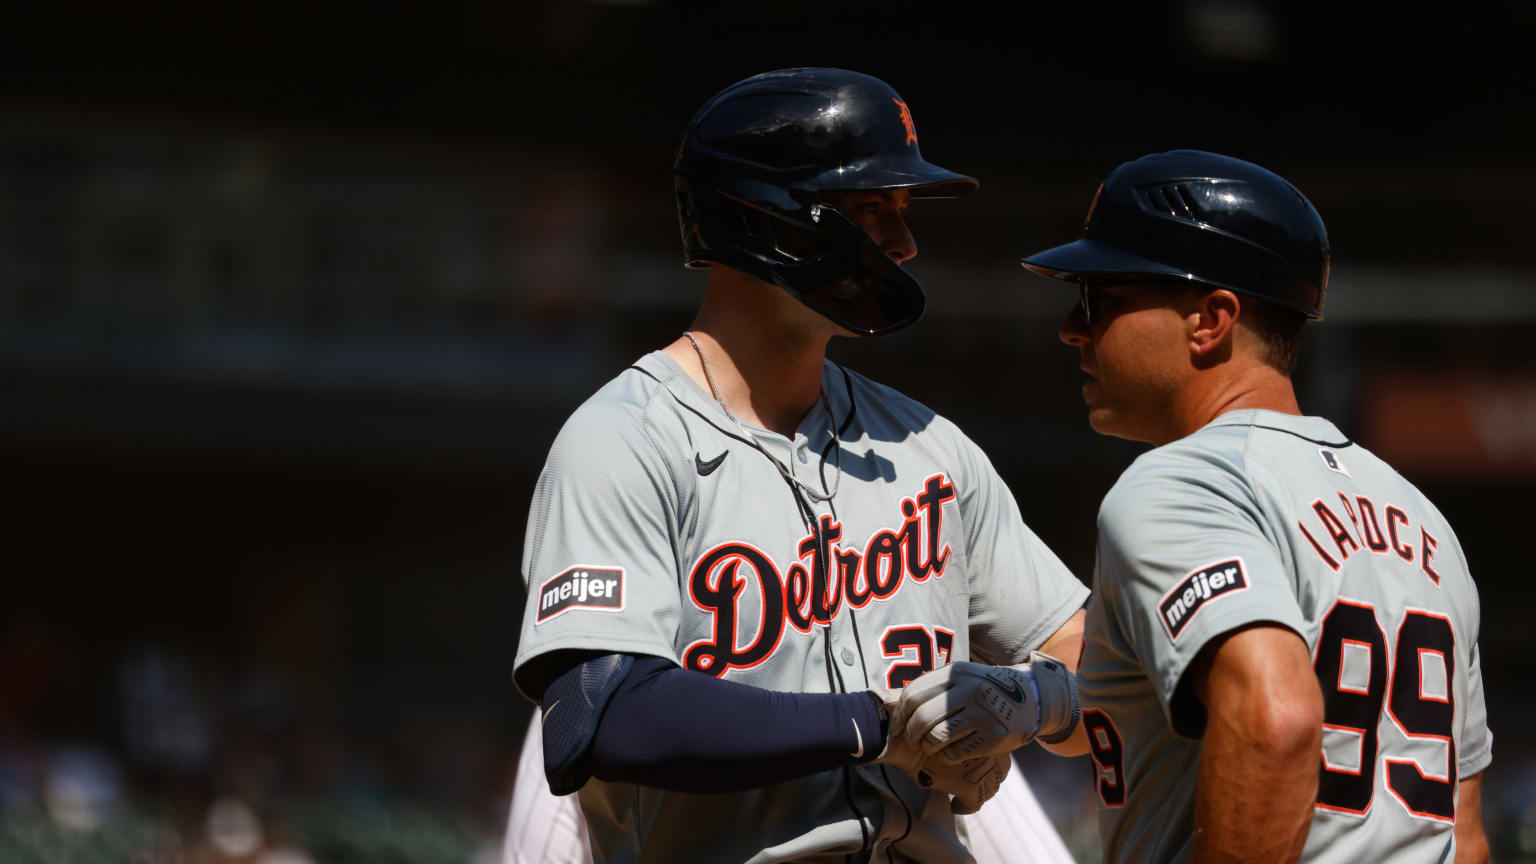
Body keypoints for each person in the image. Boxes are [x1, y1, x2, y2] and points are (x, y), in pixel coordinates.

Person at [509, 68, 1090, 863]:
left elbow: (1096, 659)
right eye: (873, 209)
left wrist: (1028, 700)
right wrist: (879, 727)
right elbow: (603, 714)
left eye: (903, 212)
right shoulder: (625, 439)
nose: (904, 244)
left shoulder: (928, 446)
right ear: (771, 220)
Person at [1012, 149, 1492, 862]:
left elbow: (1275, 719)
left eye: (1099, 300)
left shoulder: (1179, 482)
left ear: (1210, 319)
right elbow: (1467, 837)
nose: (1071, 329)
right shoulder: (1421, 519)